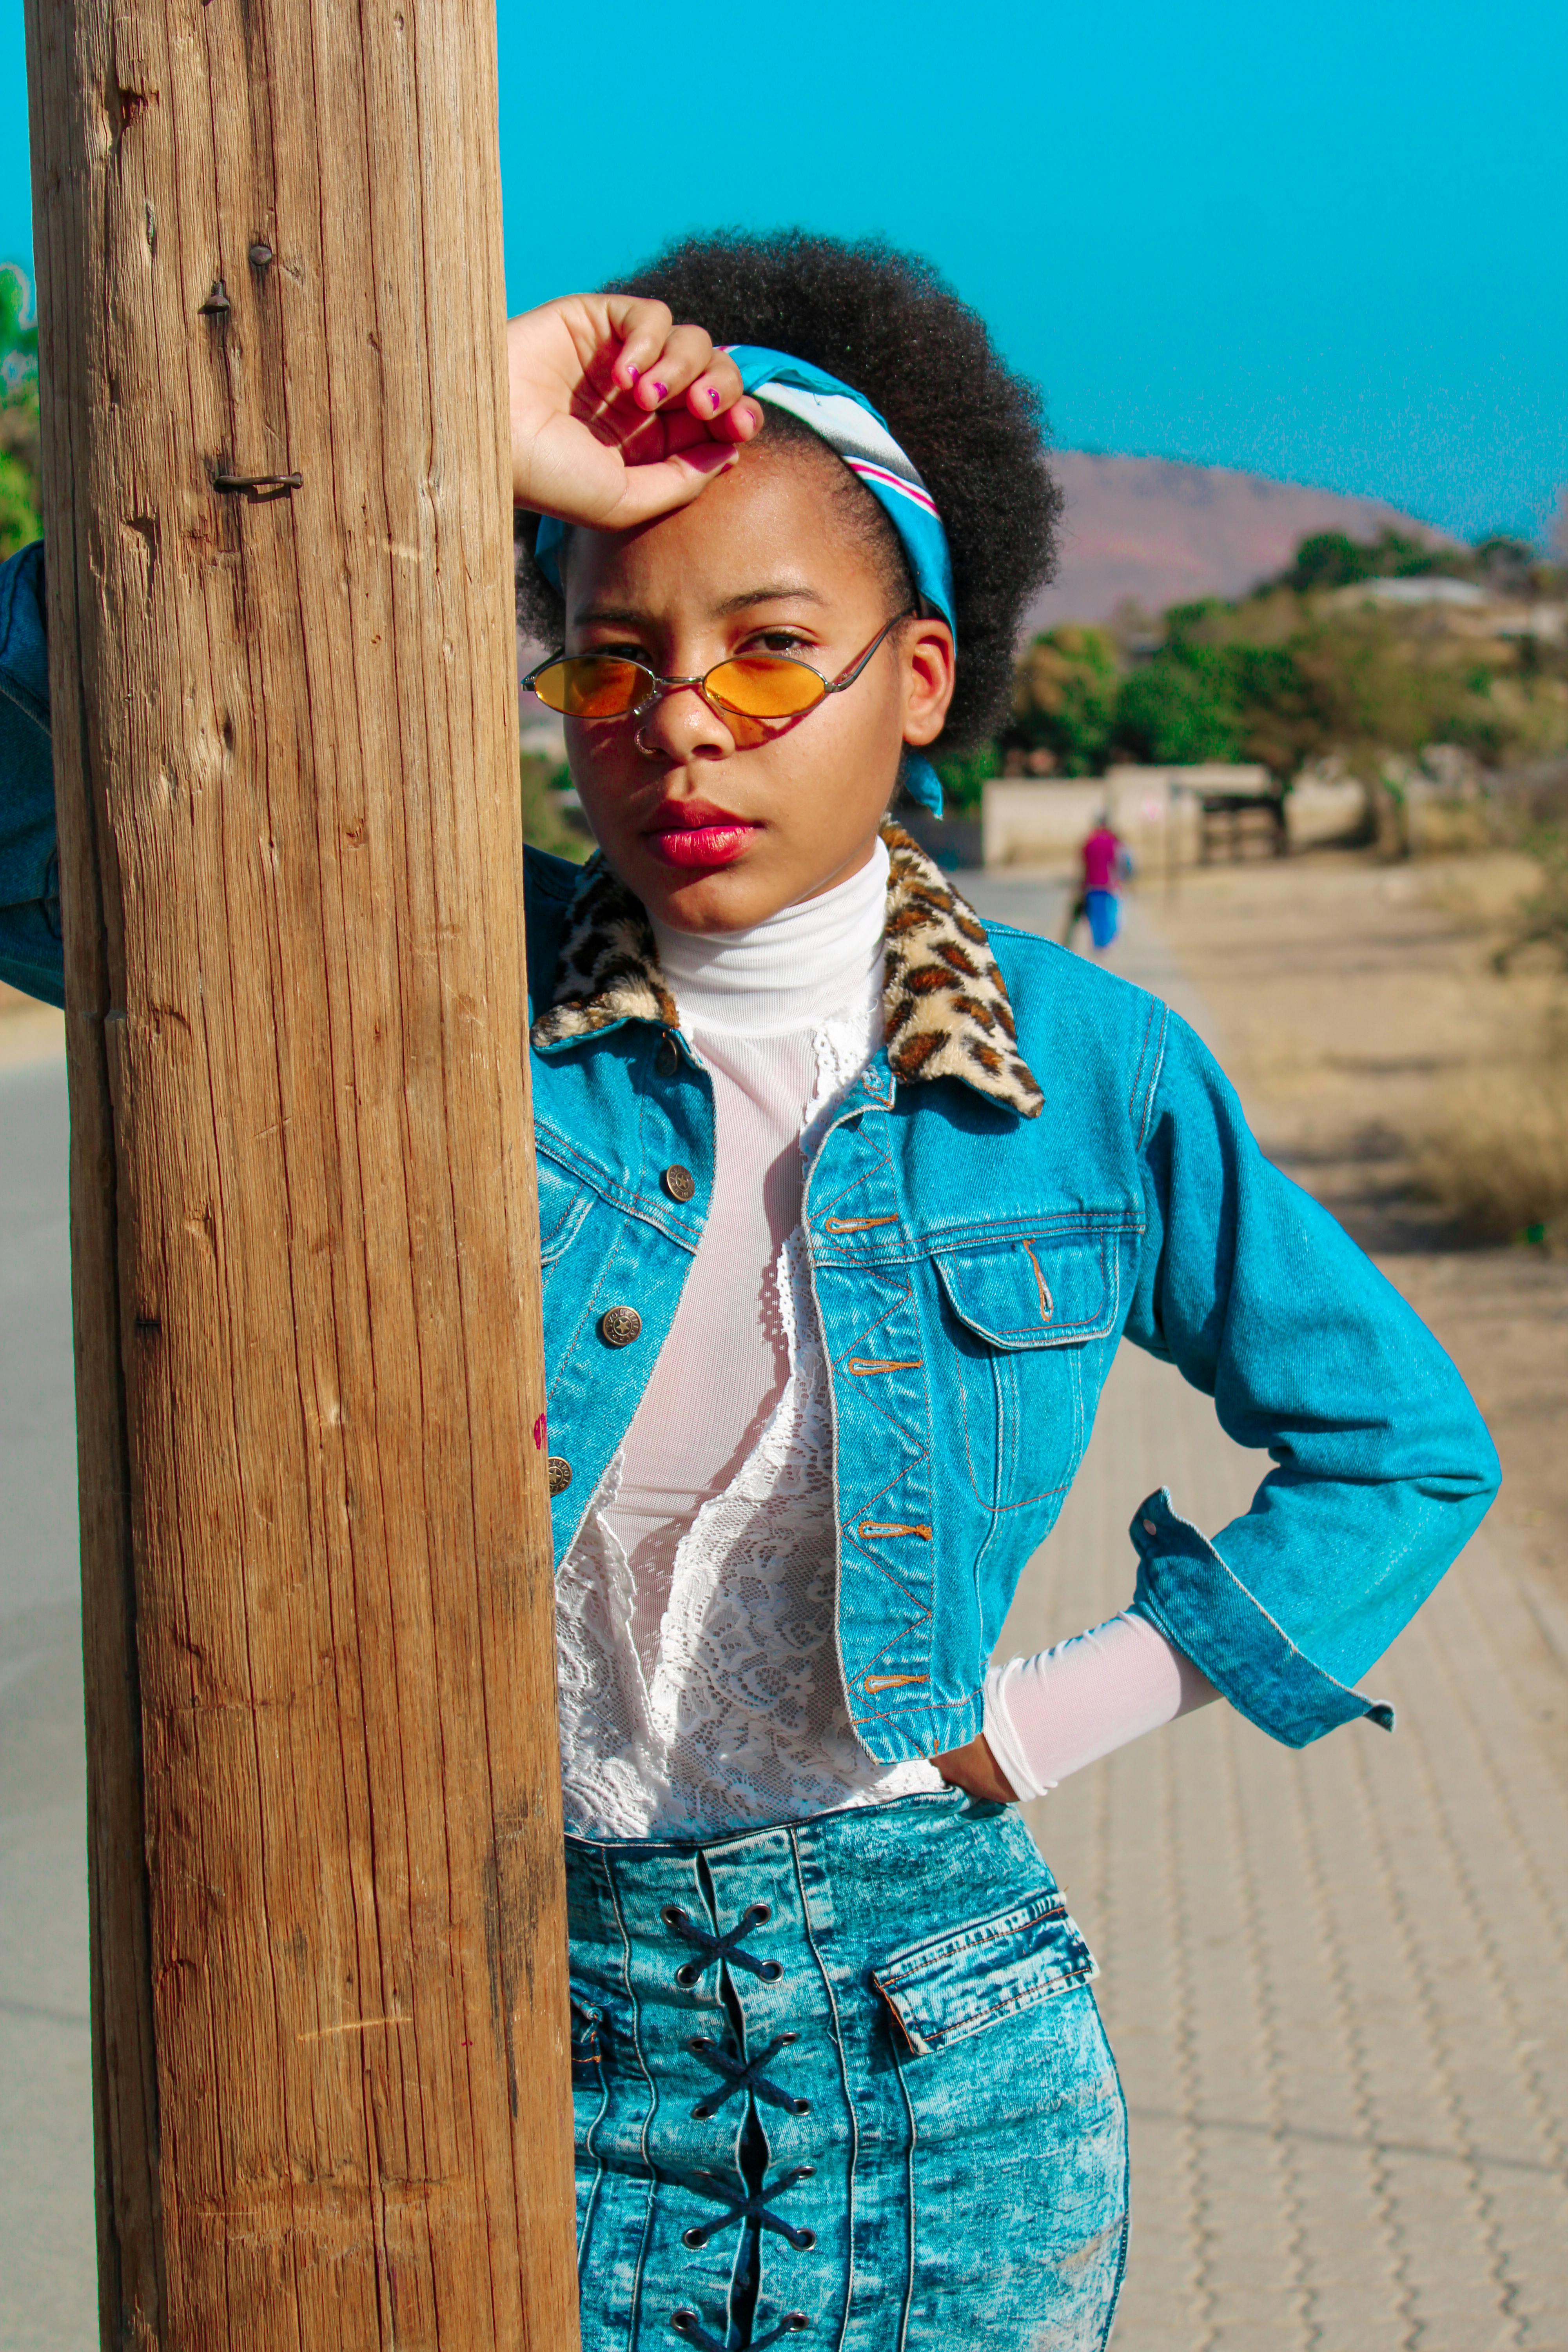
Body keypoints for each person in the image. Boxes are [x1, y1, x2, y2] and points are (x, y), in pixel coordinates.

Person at [0, 232, 1498, 2352]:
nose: (683, 729)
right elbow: (31, 812)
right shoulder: (431, 975)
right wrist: (439, 427)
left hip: (941, 2066)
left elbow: (1402, 1451)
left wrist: (1041, 1723)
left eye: (772, 653)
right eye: (612, 666)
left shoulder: (1087, 1073)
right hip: (503, 2035)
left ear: (922, 677)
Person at [1063, 812, 1132, 953]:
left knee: (1095, 914)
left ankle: (1098, 943)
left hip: (1092, 884)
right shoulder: (1113, 842)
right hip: (1109, 884)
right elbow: (1120, 862)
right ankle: (1106, 943)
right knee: (1108, 914)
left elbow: (1084, 865)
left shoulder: (1089, 842)